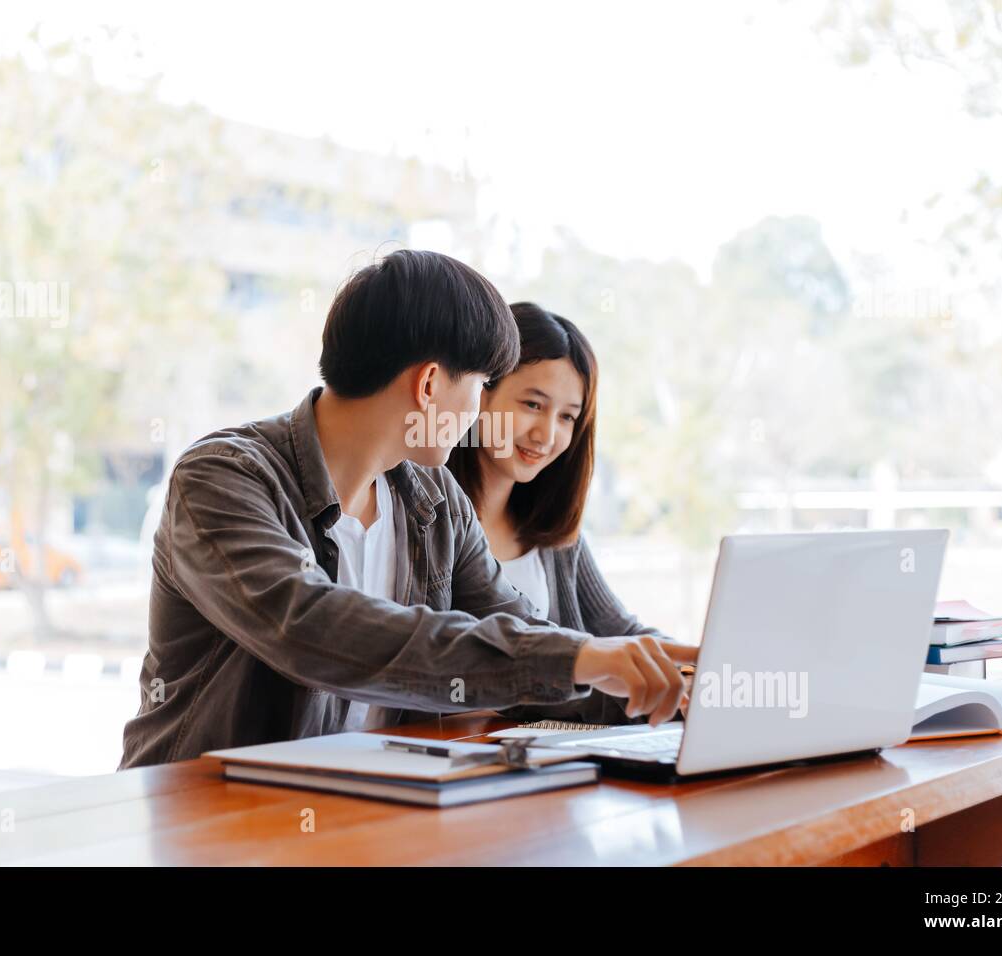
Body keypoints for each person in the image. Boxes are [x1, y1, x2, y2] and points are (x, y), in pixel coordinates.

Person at [119, 250, 689, 768]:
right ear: (430, 384)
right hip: (202, 819)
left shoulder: (436, 501)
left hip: (364, 813)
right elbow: (310, 627)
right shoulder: (223, 477)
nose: (477, 410)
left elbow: (517, 646)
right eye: (483, 384)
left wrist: (678, 697)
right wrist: (580, 657)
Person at [448, 301, 697, 725]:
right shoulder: (433, 521)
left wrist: (701, 669)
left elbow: (622, 634)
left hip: (553, 761)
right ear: (481, 392)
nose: (547, 435)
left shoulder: (553, 531)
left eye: (567, 417)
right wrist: (660, 696)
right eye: (532, 404)